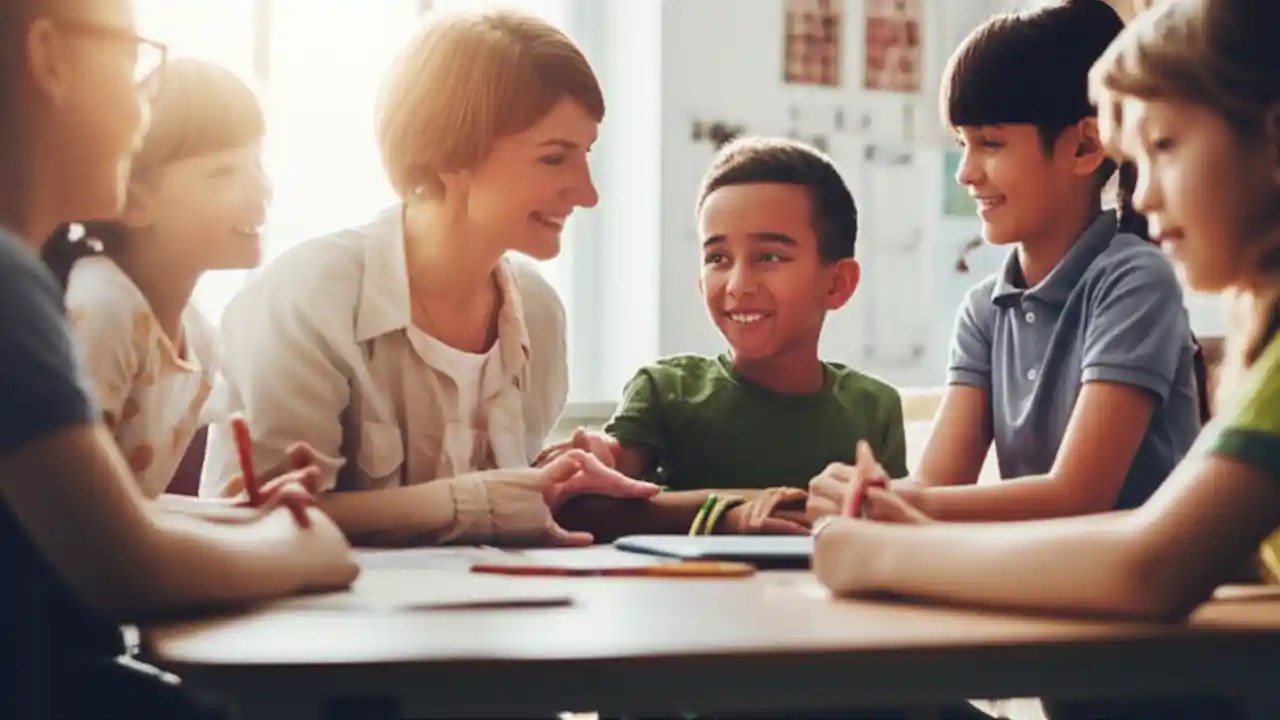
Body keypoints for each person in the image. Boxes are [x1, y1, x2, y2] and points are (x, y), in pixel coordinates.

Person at [0, 1, 358, 717]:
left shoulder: (29, 283)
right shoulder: (24, 290)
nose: (145, 100)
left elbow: (109, 517)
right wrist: (301, 549)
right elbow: (125, 565)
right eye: (137, 59)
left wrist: (238, 524)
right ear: (48, 57)